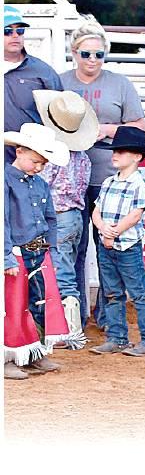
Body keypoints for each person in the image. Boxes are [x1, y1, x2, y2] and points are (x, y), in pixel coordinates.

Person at [61, 17, 145, 332]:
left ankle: (108, 314)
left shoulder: (119, 84)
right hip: (67, 179)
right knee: (71, 244)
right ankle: (73, 313)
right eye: (86, 54)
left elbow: (139, 128)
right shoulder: (60, 82)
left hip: (107, 177)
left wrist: (105, 131)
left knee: (108, 244)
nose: (93, 60)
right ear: (74, 53)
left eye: (99, 55)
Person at [86, 127, 145, 357]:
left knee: (139, 293)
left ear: (137, 156)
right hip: (109, 243)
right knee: (112, 292)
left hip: (126, 244)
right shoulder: (109, 181)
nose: (115, 155)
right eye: (115, 151)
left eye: (121, 151)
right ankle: (117, 338)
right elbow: (96, 210)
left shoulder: (139, 183)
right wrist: (102, 228)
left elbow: (136, 215)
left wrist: (111, 232)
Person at [4, 123, 72, 379]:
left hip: (38, 252)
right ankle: (8, 357)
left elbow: (50, 219)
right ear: (19, 152)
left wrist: (51, 251)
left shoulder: (40, 185)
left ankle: (33, 353)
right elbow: (4, 222)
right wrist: (6, 255)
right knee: (12, 305)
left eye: (43, 163)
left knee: (38, 303)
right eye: (35, 161)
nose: (39, 167)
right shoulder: (5, 180)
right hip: (17, 252)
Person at [34, 90, 97, 342]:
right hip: (74, 216)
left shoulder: (52, 159)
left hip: (57, 217)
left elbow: (41, 185)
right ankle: (71, 323)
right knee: (69, 267)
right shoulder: (83, 158)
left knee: (61, 271)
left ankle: (69, 330)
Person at [4, 6, 63, 139]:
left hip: (32, 155)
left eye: (20, 30)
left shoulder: (44, 72)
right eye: (7, 31)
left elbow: (61, 118)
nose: (15, 36)